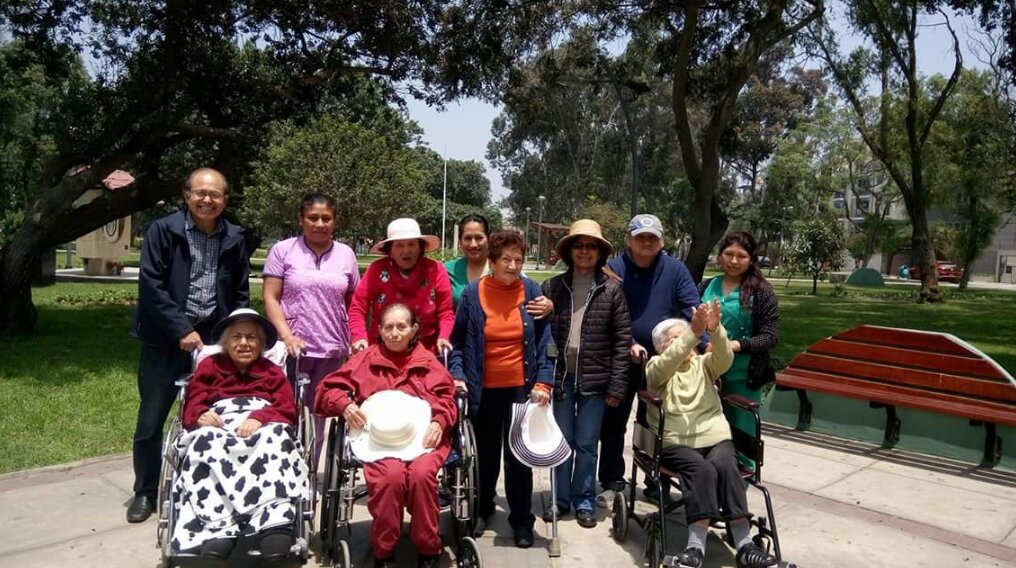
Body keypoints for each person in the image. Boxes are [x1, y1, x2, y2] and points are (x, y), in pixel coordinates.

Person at [127, 167, 250, 523]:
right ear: (187, 195)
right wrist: (181, 328)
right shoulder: (163, 231)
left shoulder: (234, 237)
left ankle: (203, 487)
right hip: (165, 339)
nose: (207, 200)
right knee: (151, 419)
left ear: (225, 200)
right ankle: (146, 492)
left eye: (215, 195)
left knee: (214, 416)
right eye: (200, 193)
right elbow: (151, 285)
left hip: (213, 341)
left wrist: (235, 333)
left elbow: (240, 290)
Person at [315, 304, 456, 568]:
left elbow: (447, 399)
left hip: (422, 437)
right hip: (377, 440)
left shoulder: (428, 362)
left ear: (414, 329)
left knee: (422, 474)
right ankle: (384, 549)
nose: (394, 333)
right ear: (379, 330)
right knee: (390, 478)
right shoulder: (365, 359)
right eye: (388, 327)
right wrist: (344, 405)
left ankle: (427, 545)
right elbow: (327, 390)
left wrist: (439, 422)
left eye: (401, 326)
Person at [646, 304, 778, 568]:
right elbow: (669, 361)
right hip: (677, 442)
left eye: (687, 339)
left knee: (726, 466)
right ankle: (695, 547)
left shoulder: (704, 364)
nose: (684, 344)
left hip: (715, 437)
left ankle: (743, 543)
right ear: (661, 347)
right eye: (675, 340)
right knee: (702, 470)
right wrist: (692, 332)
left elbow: (725, 356)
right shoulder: (656, 367)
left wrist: (715, 330)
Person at [172, 308, 306, 561]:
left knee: (276, 439)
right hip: (221, 419)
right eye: (237, 337)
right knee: (204, 441)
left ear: (261, 343)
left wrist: (259, 418)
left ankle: (274, 524)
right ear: (226, 342)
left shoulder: (271, 371)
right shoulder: (210, 366)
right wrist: (199, 414)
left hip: (263, 421)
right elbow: (193, 401)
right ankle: (217, 528)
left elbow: (288, 407)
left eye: (251, 337)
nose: (244, 343)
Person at [449, 230, 554, 548]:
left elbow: (546, 342)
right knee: (484, 455)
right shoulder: (472, 293)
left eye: (518, 260)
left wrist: (544, 381)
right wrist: (458, 374)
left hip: (522, 389)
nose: (512, 266)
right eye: (506, 259)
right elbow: (457, 342)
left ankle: (522, 521)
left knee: (519, 458)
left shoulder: (533, 290)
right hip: (483, 389)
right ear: (492, 261)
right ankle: (482, 508)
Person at [598, 213, 700, 506]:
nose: (646, 243)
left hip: (664, 362)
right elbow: (606, 314)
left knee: (657, 422)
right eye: (640, 237)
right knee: (614, 421)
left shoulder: (675, 270)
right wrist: (629, 342)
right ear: (628, 239)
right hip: (622, 358)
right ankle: (612, 477)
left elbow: (692, 309)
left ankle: (657, 479)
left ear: (662, 241)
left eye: (652, 238)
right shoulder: (612, 269)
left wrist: (701, 345)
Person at [541, 220, 631, 528]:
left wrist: (618, 385)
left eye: (590, 246)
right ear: (569, 251)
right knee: (561, 440)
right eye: (578, 245)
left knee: (587, 443)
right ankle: (559, 499)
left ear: (599, 252)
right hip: (561, 377)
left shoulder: (612, 290)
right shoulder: (552, 287)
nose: (584, 251)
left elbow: (622, 341)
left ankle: (584, 500)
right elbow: (540, 336)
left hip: (596, 378)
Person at [263, 193, 359, 460]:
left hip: (332, 348)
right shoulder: (283, 250)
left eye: (326, 218)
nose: (320, 224)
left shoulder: (346, 254)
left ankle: (309, 472)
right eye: (313, 218)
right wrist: (286, 336)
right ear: (301, 219)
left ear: (335, 222)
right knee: (286, 410)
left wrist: (354, 340)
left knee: (319, 413)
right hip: (293, 346)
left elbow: (354, 302)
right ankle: (281, 468)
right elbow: (270, 297)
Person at [699, 230, 779, 440]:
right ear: (719, 256)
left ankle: (744, 472)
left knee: (743, 437)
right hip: (707, 372)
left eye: (741, 256)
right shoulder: (706, 286)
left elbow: (770, 336)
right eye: (728, 254)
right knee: (707, 433)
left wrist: (737, 345)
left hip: (743, 375)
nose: (734, 261)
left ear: (752, 259)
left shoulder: (761, 292)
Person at [349, 218, 454, 354]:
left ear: (420, 247)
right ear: (390, 250)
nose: (406, 250)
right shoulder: (376, 269)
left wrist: (444, 336)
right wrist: (359, 337)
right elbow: (357, 308)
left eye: (412, 244)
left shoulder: (436, 270)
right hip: (381, 350)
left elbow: (446, 312)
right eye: (399, 245)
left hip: (426, 352)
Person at [444, 212, 555, 314]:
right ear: (460, 241)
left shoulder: (503, 266)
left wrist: (548, 305)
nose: (473, 244)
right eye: (467, 238)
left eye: (479, 238)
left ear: (488, 238)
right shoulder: (447, 270)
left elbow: (531, 292)